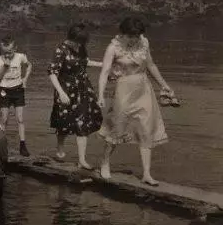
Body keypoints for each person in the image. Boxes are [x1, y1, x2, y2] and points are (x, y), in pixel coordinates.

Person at [97, 17, 172, 186]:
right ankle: (105, 161)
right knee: (117, 127)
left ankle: (146, 173)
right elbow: (104, 72)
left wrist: (164, 85)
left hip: (144, 89)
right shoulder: (113, 48)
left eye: (137, 36)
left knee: (146, 128)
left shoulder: (144, 43)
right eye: (132, 36)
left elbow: (151, 65)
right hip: (124, 89)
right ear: (123, 34)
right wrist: (100, 95)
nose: (135, 39)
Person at [48, 23, 104, 169]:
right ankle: (60, 148)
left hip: (83, 89)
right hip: (64, 89)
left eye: (82, 42)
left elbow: (83, 62)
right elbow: (52, 73)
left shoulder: (81, 47)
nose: (80, 45)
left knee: (82, 123)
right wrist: (61, 93)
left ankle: (82, 160)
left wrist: (102, 65)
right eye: (79, 42)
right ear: (71, 38)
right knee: (63, 123)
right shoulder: (60, 50)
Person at [0, 36, 32, 157]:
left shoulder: (21, 57)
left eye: (9, 52)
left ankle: (22, 145)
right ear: (1, 50)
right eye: (4, 52)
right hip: (4, 90)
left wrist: (25, 78)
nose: (7, 55)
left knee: (20, 118)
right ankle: (1, 145)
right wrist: (5, 66)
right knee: (4, 119)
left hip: (18, 89)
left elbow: (29, 65)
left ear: (15, 49)